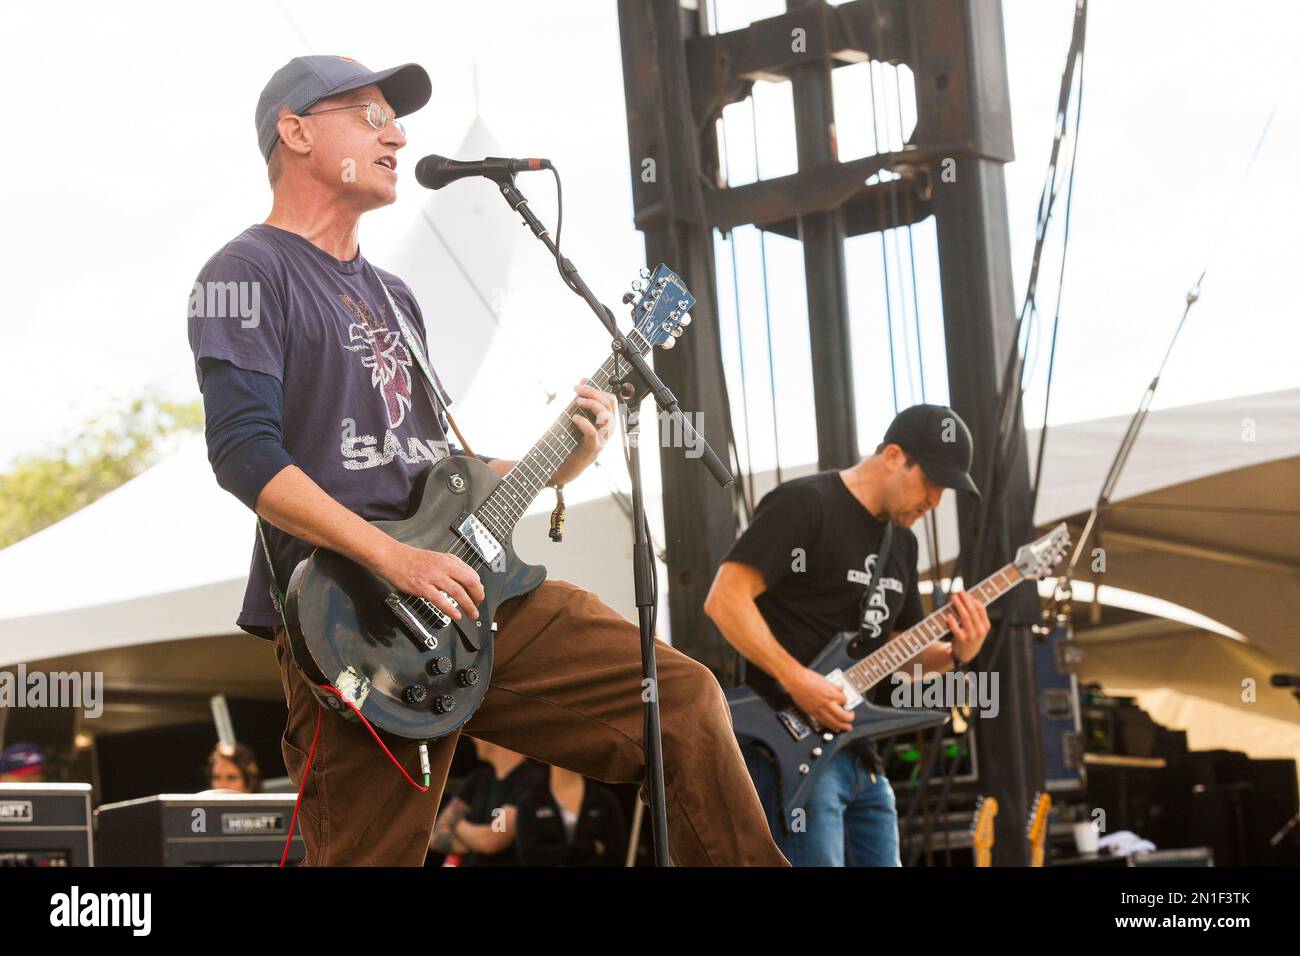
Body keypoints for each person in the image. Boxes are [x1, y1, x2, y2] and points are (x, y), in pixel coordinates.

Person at [186, 55, 786, 867]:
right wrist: (393, 558)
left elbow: (439, 472)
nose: (397, 134)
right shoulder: (245, 272)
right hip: (354, 619)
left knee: (680, 700)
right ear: (294, 131)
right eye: (370, 117)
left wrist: (563, 457)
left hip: (476, 600)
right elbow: (244, 456)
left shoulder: (397, 296)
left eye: (396, 120)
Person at [704, 404, 992, 866]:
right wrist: (797, 680)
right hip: (791, 750)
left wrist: (958, 653)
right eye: (931, 483)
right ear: (895, 456)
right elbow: (725, 600)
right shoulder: (805, 503)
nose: (935, 501)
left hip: (863, 759)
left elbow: (898, 660)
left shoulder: (902, 544)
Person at [429, 740, 543, 867]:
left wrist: (456, 824)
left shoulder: (533, 781)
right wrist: (477, 841)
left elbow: (492, 840)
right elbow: (435, 838)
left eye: (479, 736)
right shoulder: (478, 778)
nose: (474, 740)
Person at [516, 764, 627, 867]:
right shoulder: (530, 802)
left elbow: (616, 855)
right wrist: (589, 848)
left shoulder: (605, 800)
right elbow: (531, 857)